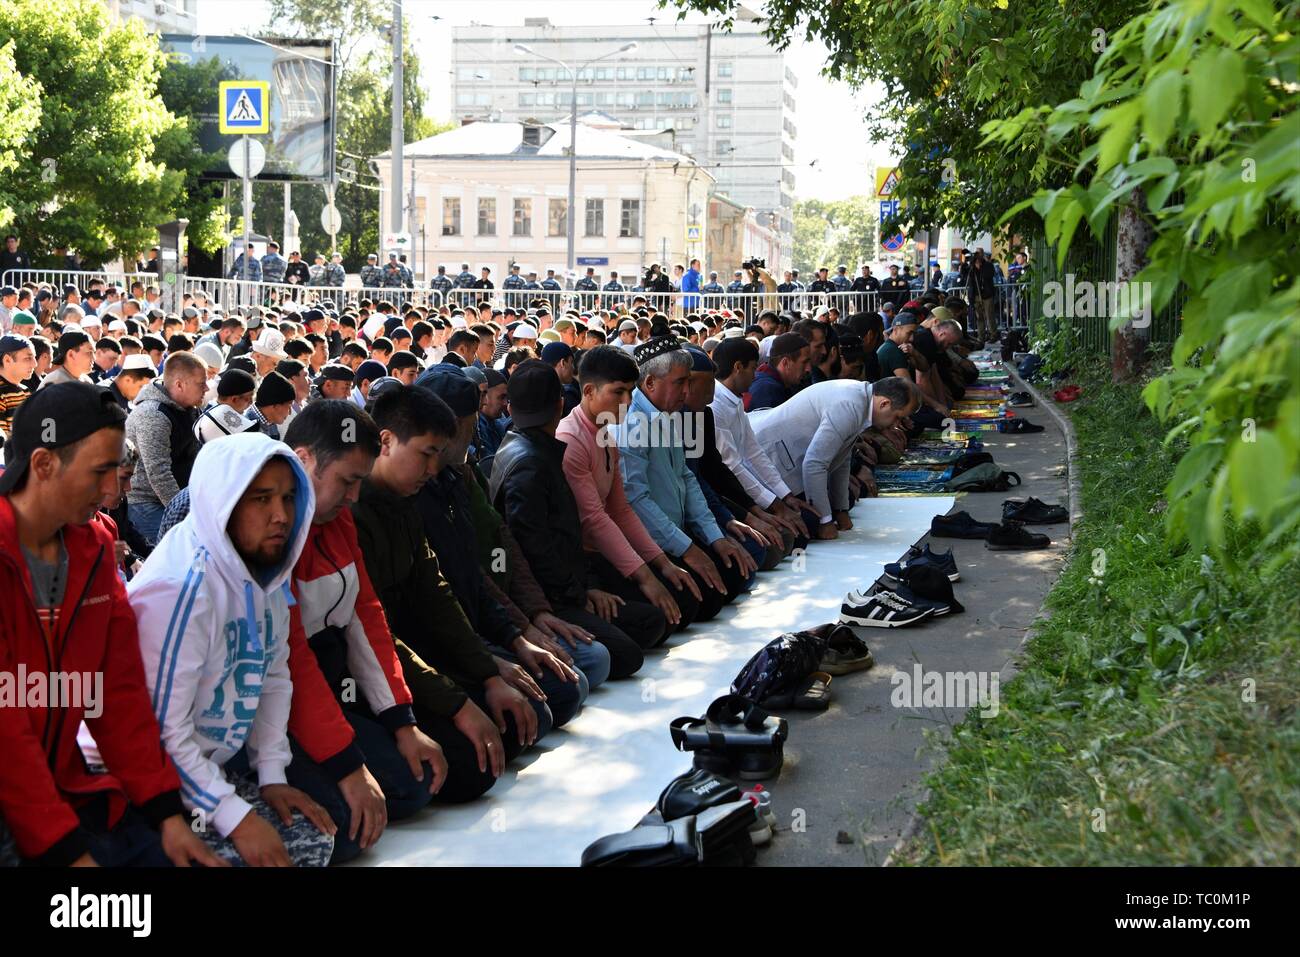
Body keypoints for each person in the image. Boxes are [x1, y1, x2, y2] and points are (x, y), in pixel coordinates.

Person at [0, 383, 223, 867]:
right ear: (43, 465)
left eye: (118, 473)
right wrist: (66, 849)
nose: (111, 491)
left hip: (67, 784)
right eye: (100, 473)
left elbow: (117, 691)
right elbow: (6, 725)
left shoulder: (96, 545)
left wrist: (166, 813)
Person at [129, 432, 335, 866]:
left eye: (288, 497)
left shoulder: (264, 572)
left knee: (316, 838)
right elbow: (160, 734)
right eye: (260, 499)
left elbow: (275, 676)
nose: (281, 516)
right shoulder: (181, 588)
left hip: (208, 765)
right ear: (222, 503)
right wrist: (235, 817)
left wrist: (272, 774)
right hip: (141, 782)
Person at [352, 385, 537, 779]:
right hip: (371, 673)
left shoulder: (407, 499)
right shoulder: (351, 512)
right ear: (385, 441)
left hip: (419, 660)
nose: (433, 470)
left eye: (438, 455)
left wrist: (487, 672)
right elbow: (371, 633)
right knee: (472, 765)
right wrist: (457, 703)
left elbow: (437, 594)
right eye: (426, 454)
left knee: (529, 712)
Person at [491, 360, 667, 677]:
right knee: (622, 655)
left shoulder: (535, 449)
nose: (626, 402)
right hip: (547, 597)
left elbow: (575, 530)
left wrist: (589, 586)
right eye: (619, 392)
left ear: (510, 407)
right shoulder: (533, 462)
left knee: (655, 618)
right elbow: (534, 548)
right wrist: (577, 595)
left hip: (569, 582)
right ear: (562, 404)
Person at [616, 337, 754, 622]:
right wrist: (687, 548)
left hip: (676, 534)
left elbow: (686, 478)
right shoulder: (631, 424)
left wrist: (715, 536)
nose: (687, 391)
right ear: (651, 383)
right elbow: (637, 501)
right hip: (650, 545)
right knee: (700, 601)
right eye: (680, 383)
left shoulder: (668, 416)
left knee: (735, 570)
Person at [750, 376, 921, 540]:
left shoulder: (859, 399)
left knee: (843, 499)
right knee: (810, 522)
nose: (895, 425)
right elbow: (814, 465)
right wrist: (825, 521)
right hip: (765, 461)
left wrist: (841, 510)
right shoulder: (849, 405)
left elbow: (842, 458)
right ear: (884, 403)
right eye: (897, 417)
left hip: (784, 458)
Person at [708, 336, 814, 540]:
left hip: (747, 488)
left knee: (806, 519)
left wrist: (785, 496)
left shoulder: (734, 399)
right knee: (791, 535)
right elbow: (733, 465)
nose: (756, 375)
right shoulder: (714, 406)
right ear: (738, 367)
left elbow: (754, 452)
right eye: (753, 368)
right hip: (730, 493)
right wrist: (774, 505)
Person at [123, 351, 206, 546]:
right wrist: (186, 513)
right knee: (183, 546)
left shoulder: (189, 409)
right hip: (145, 502)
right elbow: (158, 473)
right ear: (179, 384)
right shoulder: (153, 414)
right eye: (201, 384)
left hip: (175, 497)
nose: (206, 388)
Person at [747, 332, 809, 411]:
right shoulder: (767, 390)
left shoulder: (776, 383)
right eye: (804, 362)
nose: (808, 368)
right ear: (785, 363)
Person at [0, 333, 35, 436]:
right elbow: (3, 444)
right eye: (28, 358)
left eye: (34, 358)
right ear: (7, 360)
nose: (35, 364)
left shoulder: (25, 390)